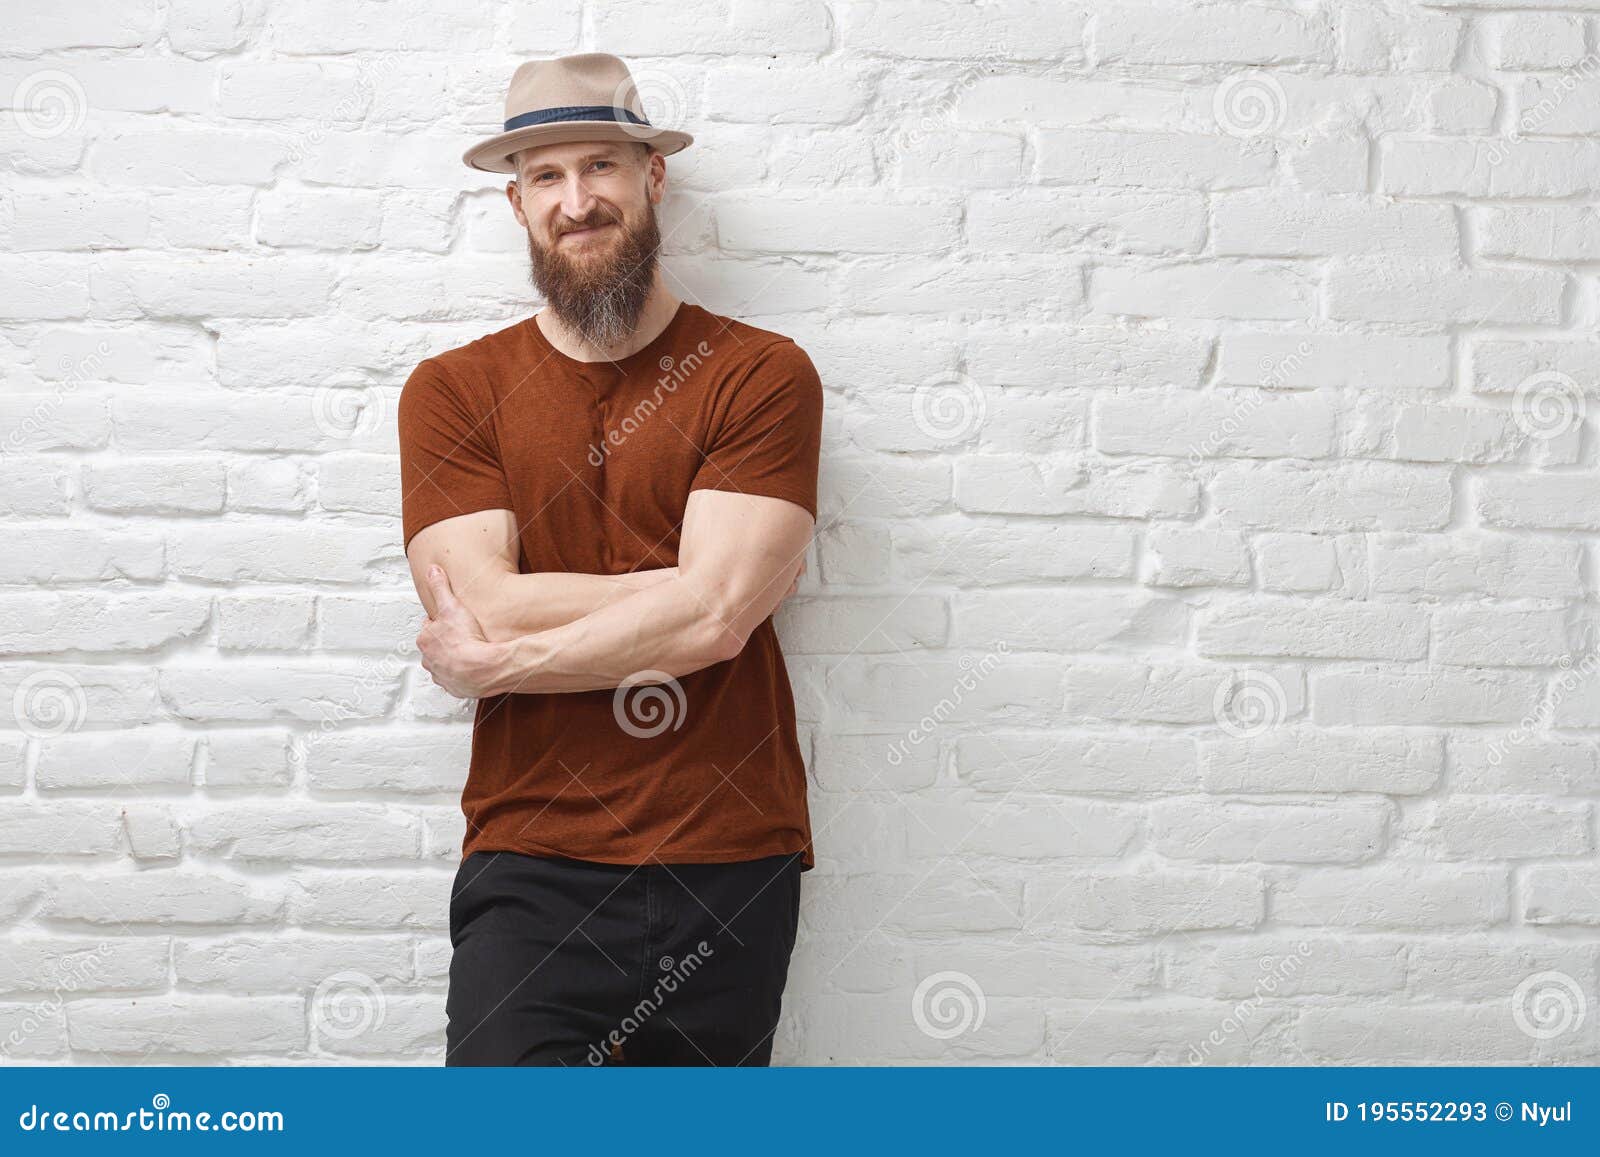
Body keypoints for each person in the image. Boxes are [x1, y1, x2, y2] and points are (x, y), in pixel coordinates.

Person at [396, 53, 824, 1066]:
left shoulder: (760, 374)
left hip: (727, 854)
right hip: (530, 857)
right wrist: (675, 593)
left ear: (652, 179)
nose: (577, 200)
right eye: (546, 175)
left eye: (601, 167)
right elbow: (483, 605)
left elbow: (715, 620)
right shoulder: (454, 391)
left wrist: (512, 664)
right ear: (515, 201)